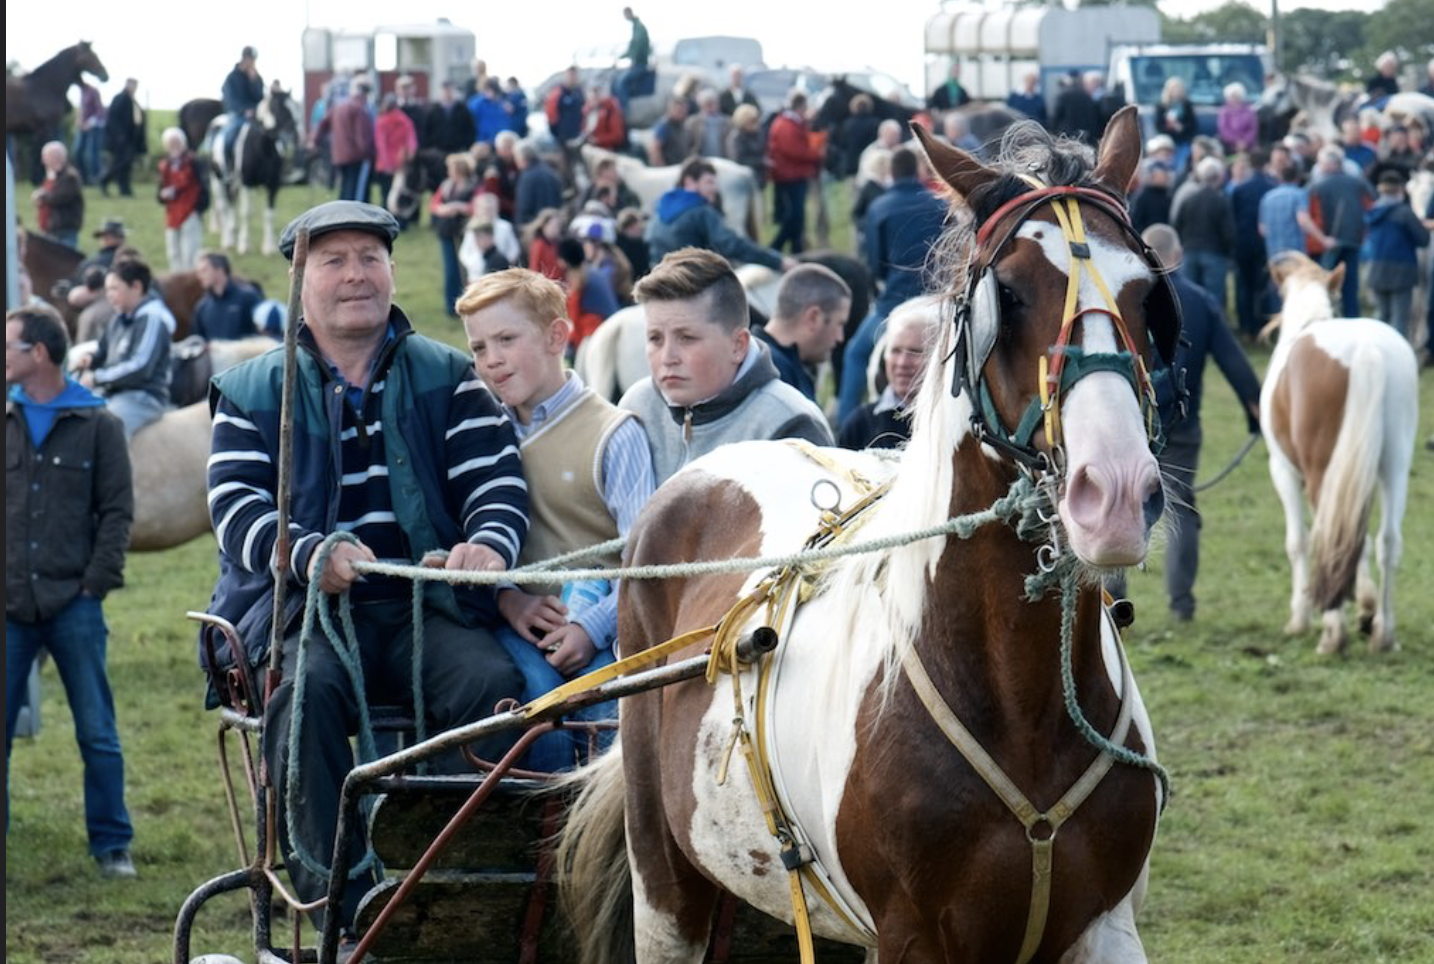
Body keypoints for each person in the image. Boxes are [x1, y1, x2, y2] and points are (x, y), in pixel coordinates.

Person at [204, 200, 528, 938]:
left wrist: (488, 545)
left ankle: (448, 882)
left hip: (426, 609)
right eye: (334, 260)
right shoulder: (254, 390)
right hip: (307, 612)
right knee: (305, 693)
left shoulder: (450, 376)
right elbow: (236, 507)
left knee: (490, 683)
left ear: (390, 270)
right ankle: (338, 904)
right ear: (299, 277)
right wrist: (309, 554)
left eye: (369, 258)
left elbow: (497, 486)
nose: (356, 275)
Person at [456, 269, 656, 770]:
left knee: (612, 722)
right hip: (518, 627)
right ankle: (542, 840)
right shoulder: (480, 436)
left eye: (506, 339)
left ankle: (610, 841)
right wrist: (507, 599)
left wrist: (590, 627)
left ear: (555, 337)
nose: (491, 360)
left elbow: (643, 560)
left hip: (604, 626)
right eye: (479, 348)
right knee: (531, 712)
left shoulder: (614, 432)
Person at [6, 303, 137, 879]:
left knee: (97, 732)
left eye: (8, 345)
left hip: (75, 605)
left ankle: (112, 846)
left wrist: (93, 587)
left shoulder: (100, 426)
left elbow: (117, 513)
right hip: (9, 608)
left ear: (38, 353)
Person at [1122, 225, 1261, 621]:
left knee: (1116, 504)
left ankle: (1112, 601)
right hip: (1181, 425)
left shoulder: (1125, 296)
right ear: (1178, 253)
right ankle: (1181, 604)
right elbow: (1233, 361)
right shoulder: (1201, 301)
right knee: (1180, 509)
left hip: (1130, 424)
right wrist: (1256, 411)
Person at [619, 248, 833, 483]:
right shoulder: (635, 408)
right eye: (655, 339)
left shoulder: (791, 425)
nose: (667, 357)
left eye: (687, 338)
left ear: (738, 346)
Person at [838, 147, 947, 424]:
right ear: (919, 172)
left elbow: (875, 264)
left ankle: (846, 422)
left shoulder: (879, 207)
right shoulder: (940, 204)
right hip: (937, 299)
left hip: (895, 300)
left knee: (855, 353)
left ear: (890, 174)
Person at [72, 256, 174, 441]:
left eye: (114, 288)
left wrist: (97, 377)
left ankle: (114, 470)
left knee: (109, 427)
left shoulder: (152, 319)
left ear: (136, 287)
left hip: (142, 397)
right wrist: (91, 358)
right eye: (107, 289)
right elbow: (102, 351)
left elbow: (140, 366)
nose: (109, 295)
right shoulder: (118, 318)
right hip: (113, 391)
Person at [647, 158, 793, 271]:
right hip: (690, 284)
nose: (714, 189)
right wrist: (778, 261)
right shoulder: (702, 211)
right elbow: (732, 245)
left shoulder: (660, 207)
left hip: (662, 281)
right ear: (689, 182)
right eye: (709, 182)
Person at [838, 298, 934, 450]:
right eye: (895, 351)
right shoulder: (860, 424)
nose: (902, 363)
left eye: (915, 352)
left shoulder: (952, 424)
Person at [753, 263, 851, 402]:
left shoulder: (756, 359)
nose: (840, 337)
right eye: (839, 324)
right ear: (814, 317)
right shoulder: (774, 376)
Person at [1307, 145, 1374, 317]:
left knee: (1326, 284)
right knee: (1351, 285)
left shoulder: (1316, 185)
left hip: (1327, 242)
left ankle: (1326, 319)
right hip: (1353, 240)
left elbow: (1313, 215)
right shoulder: (1358, 182)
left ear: (1329, 165)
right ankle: (1352, 319)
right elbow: (1371, 207)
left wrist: (1322, 239)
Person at [1363, 171, 1430, 337]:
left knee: (1382, 315)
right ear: (1400, 189)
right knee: (1400, 319)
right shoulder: (1404, 213)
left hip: (1376, 268)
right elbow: (1423, 239)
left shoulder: (1373, 212)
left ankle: (1378, 350)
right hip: (1402, 270)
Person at [1172, 156, 1236, 307]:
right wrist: (1230, 253)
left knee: (1190, 299)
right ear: (1219, 177)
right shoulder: (1221, 200)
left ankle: (1192, 329)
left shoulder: (1189, 199)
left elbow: (1177, 224)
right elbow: (1229, 233)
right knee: (1213, 300)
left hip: (1189, 252)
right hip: (1214, 254)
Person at [766, 91, 823, 254]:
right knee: (794, 216)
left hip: (793, 175)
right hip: (790, 176)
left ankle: (795, 248)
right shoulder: (786, 125)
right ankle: (776, 247)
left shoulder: (790, 123)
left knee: (796, 217)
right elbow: (795, 151)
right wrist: (817, 154)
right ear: (801, 106)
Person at [431, 152, 479, 316]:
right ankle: (451, 306)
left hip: (464, 232)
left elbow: (477, 206)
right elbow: (435, 204)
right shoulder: (446, 185)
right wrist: (444, 210)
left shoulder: (473, 186)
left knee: (466, 268)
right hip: (447, 232)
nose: (448, 171)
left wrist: (459, 207)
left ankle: (468, 303)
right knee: (451, 269)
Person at [156, 128, 203, 271]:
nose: (174, 146)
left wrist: (198, 208)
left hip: (190, 211)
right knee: (173, 252)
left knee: (190, 252)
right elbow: (160, 189)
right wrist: (162, 195)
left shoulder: (193, 162)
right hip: (172, 213)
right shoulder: (165, 166)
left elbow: (202, 186)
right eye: (171, 143)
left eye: (177, 142)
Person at [192, 251, 262, 341]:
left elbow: (261, 334)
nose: (200, 276)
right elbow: (199, 341)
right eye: (198, 272)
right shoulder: (202, 307)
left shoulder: (248, 297)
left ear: (220, 269)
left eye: (204, 270)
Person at [373, 93, 418, 219]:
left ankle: (385, 219)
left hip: (385, 164)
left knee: (386, 193)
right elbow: (412, 140)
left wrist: (387, 164)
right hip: (402, 162)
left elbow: (381, 145)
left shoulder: (381, 121)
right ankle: (402, 221)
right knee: (401, 192)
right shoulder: (405, 120)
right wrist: (410, 153)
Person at [31, 141, 83, 248]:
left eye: (45, 157)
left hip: (64, 231)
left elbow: (60, 197)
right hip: (50, 230)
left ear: (56, 157)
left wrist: (41, 196)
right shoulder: (53, 176)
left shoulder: (70, 177)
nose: (43, 161)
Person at [99, 78, 143, 198]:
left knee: (126, 164)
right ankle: (104, 180)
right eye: (133, 85)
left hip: (130, 138)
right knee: (120, 163)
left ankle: (125, 189)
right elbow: (112, 119)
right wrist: (119, 135)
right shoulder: (120, 98)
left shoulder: (132, 100)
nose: (134, 88)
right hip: (121, 139)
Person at [221, 47, 264, 159]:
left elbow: (260, 97)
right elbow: (230, 100)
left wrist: (254, 82)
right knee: (229, 137)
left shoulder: (257, 78)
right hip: (238, 115)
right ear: (244, 59)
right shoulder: (231, 78)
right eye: (251, 60)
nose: (253, 63)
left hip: (256, 115)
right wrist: (244, 110)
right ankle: (228, 163)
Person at [1156, 77, 1197, 174]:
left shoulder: (1187, 105)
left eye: (1178, 88)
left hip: (1183, 141)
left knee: (1181, 167)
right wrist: (1170, 127)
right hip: (1167, 143)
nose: (1176, 91)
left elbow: (1193, 124)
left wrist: (1182, 127)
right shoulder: (1162, 106)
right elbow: (1158, 125)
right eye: (1174, 88)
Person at [616, 7, 652, 116]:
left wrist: (634, 59)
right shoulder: (635, 27)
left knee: (621, 83)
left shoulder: (639, 28)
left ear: (629, 13)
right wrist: (620, 57)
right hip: (638, 62)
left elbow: (639, 46)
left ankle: (624, 111)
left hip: (640, 64)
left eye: (625, 15)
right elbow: (632, 48)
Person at [1051, 70, 1102, 146]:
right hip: (1084, 137)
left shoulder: (1063, 96)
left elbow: (1055, 118)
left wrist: (1053, 135)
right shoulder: (1087, 97)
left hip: (1066, 137)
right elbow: (1093, 120)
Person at [73, 80, 106, 185]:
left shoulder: (93, 91)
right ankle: (84, 178)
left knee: (92, 154)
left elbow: (100, 111)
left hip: (95, 127)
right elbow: (82, 109)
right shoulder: (82, 92)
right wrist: (78, 120)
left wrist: (89, 123)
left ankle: (98, 179)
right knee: (77, 153)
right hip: (82, 127)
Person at [648, 96, 694, 167]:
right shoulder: (664, 126)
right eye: (680, 111)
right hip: (668, 170)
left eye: (685, 110)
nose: (683, 113)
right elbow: (654, 149)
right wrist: (661, 168)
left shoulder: (682, 125)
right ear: (671, 109)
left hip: (680, 167)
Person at [1216, 83, 1258, 155]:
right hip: (1229, 145)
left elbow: (1252, 129)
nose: (1234, 98)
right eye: (1232, 96)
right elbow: (1224, 129)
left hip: (1247, 145)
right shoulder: (1224, 111)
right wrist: (1236, 141)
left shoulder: (1249, 111)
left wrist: (1245, 142)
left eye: (1237, 96)